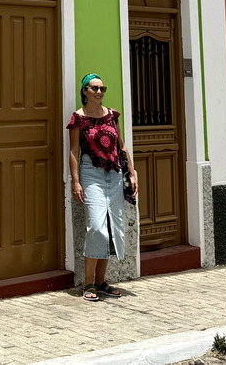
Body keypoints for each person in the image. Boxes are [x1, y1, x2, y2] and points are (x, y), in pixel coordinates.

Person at [68, 72, 137, 302]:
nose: (99, 92)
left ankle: (100, 281)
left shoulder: (112, 116)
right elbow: (74, 151)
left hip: (114, 173)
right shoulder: (78, 118)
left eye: (102, 88)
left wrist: (132, 173)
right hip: (91, 173)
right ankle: (88, 282)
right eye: (94, 88)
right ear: (85, 91)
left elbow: (122, 145)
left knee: (110, 226)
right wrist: (76, 181)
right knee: (96, 226)